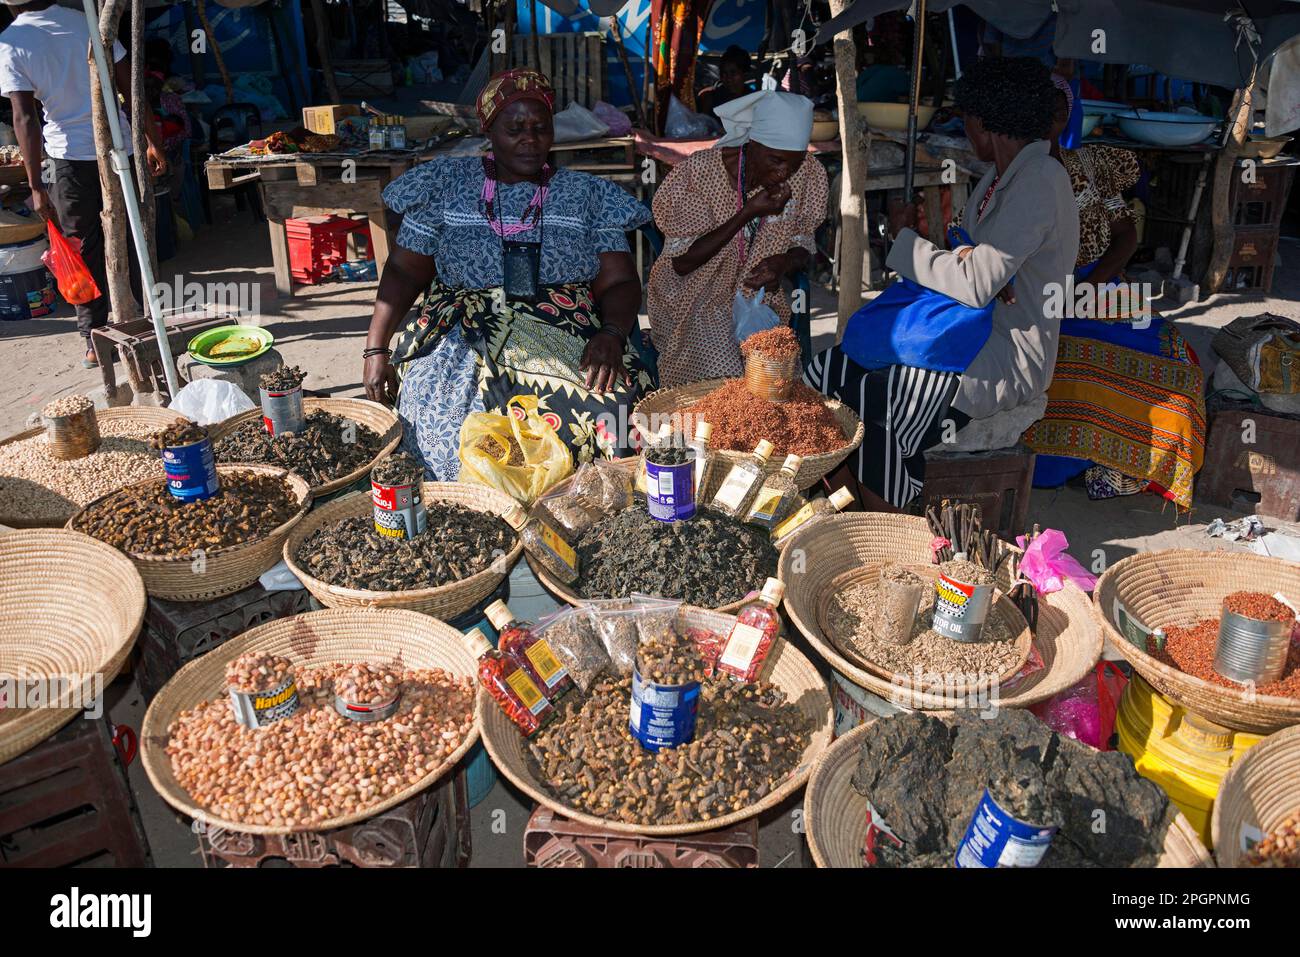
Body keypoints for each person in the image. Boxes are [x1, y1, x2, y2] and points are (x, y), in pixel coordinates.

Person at [807, 57, 1078, 511]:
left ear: (986, 121)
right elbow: (978, 269)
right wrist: (970, 261)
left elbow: (975, 284)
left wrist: (905, 244)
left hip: (1002, 355)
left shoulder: (1041, 180)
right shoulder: (998, 179)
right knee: (827, 373)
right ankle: (849, 513)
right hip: (959, 336)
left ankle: (891, 528)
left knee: (880, 401)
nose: (965, 130)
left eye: (967, 119)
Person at [362, 69, 653, 479]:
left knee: (615, 412)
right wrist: (376, 349)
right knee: (441, 419)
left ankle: (589, 511)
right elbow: (403, 272)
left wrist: (612, 334)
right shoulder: (444, 185)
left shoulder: (587, 195)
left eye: (540, 127)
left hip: (562, 325)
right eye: (514, 128)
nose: (529, 139)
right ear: (489, 131)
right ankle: (471, 513)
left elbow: (620, 281)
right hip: (458, 331)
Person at [1023, 81, 1206, 508]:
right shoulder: (1010, 176)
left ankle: (1123, 463)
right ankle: (1070, 461)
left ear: (1067, 115)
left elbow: (1126, 237)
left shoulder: (1091, 164)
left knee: (1180, 364)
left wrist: (1089, 288)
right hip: (1042, 291)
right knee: (1071, 364)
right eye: (1037, 109)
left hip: (1100, 283)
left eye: (1056, 110)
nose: (1047, 120)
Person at [0, 0, 166, 368]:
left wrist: (36, 186)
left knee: (84, 246)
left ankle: (93, 338)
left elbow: (24, 117)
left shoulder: (12, 41)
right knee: (133, 236)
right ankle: (143, 323)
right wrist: (152, 140)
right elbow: (131, 90)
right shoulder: (87, 22)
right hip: (119, 149)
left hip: (69, 159)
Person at [646, 89, 828, 388]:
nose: (784, 173)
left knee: (770, 374)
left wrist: (784, 262)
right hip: (692, 296)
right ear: (752, 143)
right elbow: (682, 264)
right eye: (776, 160)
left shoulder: (808, 174)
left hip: (756, 295)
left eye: (793, 164)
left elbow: (804, 243)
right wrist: (748, 211)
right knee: (726, 373)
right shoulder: (698, 174)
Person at [696, 45, 756, 120]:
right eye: (724, 73)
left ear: (745, 74)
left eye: (733, 73)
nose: (728, 78)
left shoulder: (755, 100)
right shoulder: (708, 97)